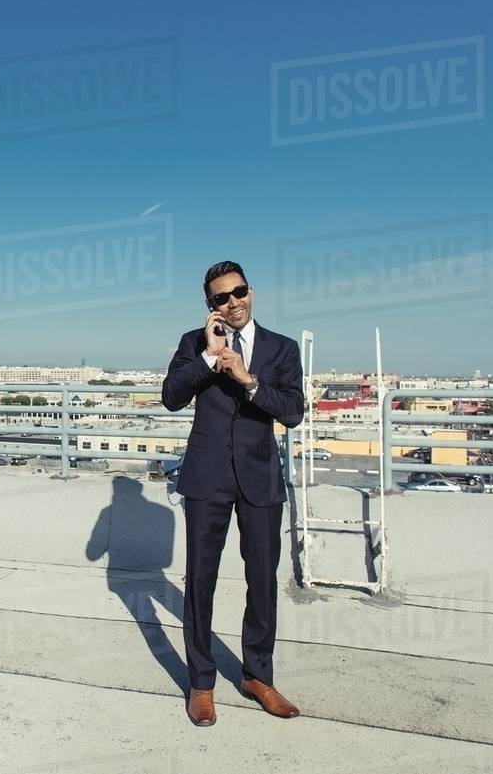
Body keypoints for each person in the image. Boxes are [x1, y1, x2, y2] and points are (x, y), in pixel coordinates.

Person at [161, 260, 305, 727]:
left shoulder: (281, 349)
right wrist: (208, 356)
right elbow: (171, 396)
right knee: (200, 582)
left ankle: (257, 677)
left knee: (263, 581)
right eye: (220, 298)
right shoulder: (194, 343)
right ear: (210, 306)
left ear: (251, 292)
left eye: (237, 292)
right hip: (207, 478)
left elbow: (293, 412)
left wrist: (248, 380)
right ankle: (201, 683)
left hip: (260, 478)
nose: (232, 302)